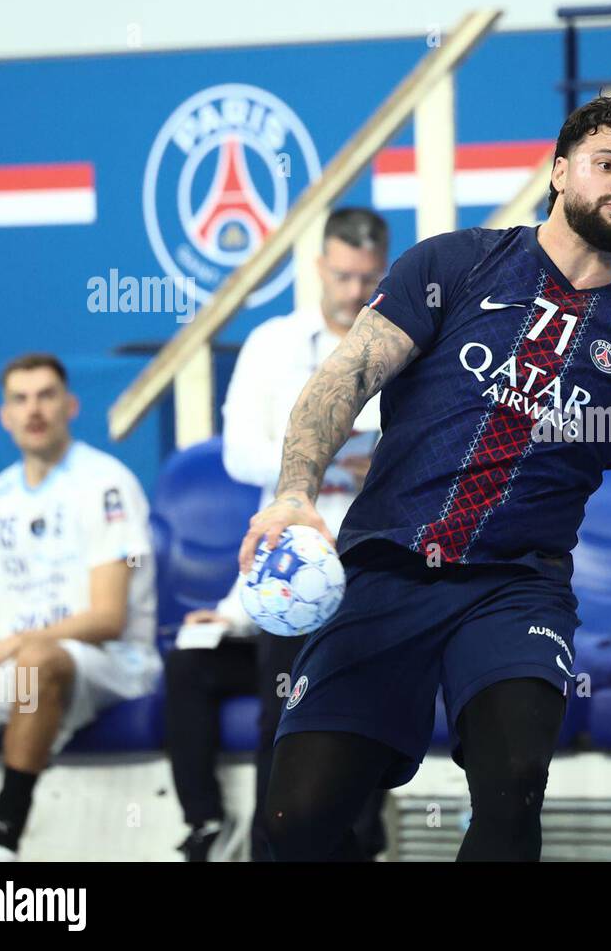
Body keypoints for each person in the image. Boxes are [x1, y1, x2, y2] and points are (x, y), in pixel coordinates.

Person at [237, 93, 611, 862]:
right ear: (560, 169)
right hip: (386, 566)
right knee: (294, 819)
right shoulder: (453, 265)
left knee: (513, 783)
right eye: (607, 164)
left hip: (515, 590)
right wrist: (296, 492)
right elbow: (348, 375)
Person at [165, 207, 388, 862]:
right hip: (288, 562)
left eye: (368, 278)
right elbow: (239, 454)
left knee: (351, 704)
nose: (354, 292)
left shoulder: (404, 342)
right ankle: (259, 844)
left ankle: (356, 844)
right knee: (280, 706)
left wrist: (379, 462)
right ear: (320, 266)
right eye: (344, 276)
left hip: (375, 559)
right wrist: (324, 455)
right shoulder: (271, 344)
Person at [0, 354, 160, 861]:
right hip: (9, 667)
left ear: (71, 406)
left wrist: (8, 646)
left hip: (107, 662)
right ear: (5, 415)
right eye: (20, 399)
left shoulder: (105, 484)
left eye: (46, 395)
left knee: (36, 662)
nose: (33, 409)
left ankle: (2, 835)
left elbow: (108, 619)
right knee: (18, 665)